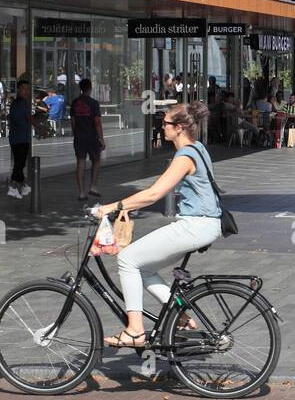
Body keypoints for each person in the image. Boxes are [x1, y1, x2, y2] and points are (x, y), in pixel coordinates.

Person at [94, 102, 223, 348]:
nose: (161, 127)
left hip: (195, 226)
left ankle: (134, 330)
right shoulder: (198, 148)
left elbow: (154, 194)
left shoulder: (185, 156)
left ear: (180, 127)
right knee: (143, 269)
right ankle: (181, 317)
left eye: (165, 123)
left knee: (127, 260)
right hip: (205, 224)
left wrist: (113, 207)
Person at [68, 77, 105, 201]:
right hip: (92, 137)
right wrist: (101, 138)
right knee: (96, 160)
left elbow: (73, 121)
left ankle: (81, 192)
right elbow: (97, 122)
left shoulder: (75, 103)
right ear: (90, 88)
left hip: (79, 137)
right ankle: (93, 186)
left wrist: (76, 133)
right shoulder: (94, 103)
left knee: (80, 162)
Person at [7, 79, 34, 198]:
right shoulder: (23, 103)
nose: (26, 91)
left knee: (19, 163)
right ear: (18, 90)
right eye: (24, 89)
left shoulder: (14, 103)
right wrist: (40, 128)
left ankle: (24, 186)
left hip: (15, 138)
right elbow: (29, 118)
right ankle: (12, 187)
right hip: (21, 138)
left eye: (28, 89)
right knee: (19, 164)